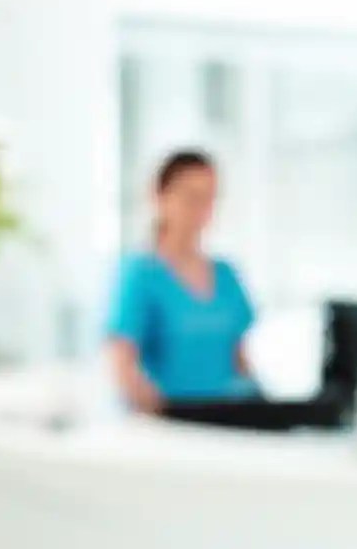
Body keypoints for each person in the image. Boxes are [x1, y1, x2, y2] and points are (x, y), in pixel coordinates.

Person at [106, 150, 259, 413]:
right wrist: (165, 415)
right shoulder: (141, 274)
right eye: (191, 198)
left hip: (228, 422)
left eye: (209, 199)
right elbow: (122, 365)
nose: (201, 210)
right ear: (159, 197)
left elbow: (239, 360)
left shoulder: (226, 274)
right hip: (168, 427)